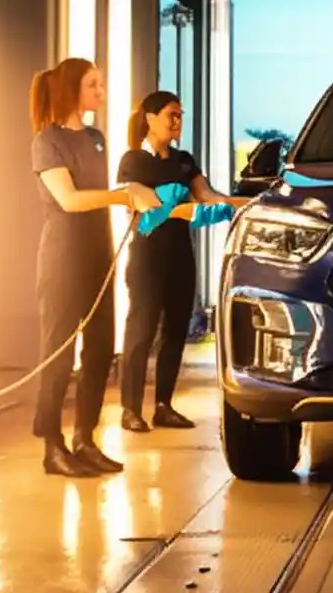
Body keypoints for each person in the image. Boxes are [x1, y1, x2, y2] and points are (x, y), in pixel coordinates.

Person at [30, 58, 162, 478]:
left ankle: (85, 439)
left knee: (102, 348)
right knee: (59, 354)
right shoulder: (47, 142)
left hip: (99, 256)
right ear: (72, 90)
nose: (101, 92)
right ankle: (53, 446)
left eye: (101, 85)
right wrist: (124, 195)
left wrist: (128, 194)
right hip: (63, 260)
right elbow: (70, 200)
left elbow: (98, 193)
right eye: (93, 85)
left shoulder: (97, 138)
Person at [118, 91, 249, 433]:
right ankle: (130, 409)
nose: (177, 122)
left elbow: (209, 197)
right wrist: (181, 207)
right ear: (150, 118)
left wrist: (250, 203)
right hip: (147, 257)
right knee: (141, 331)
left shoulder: (184, 160)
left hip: (180, 255)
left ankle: (164, 405)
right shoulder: (134, 160)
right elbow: (144, 202)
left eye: (180, 115)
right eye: (171, 115)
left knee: (176, 330)